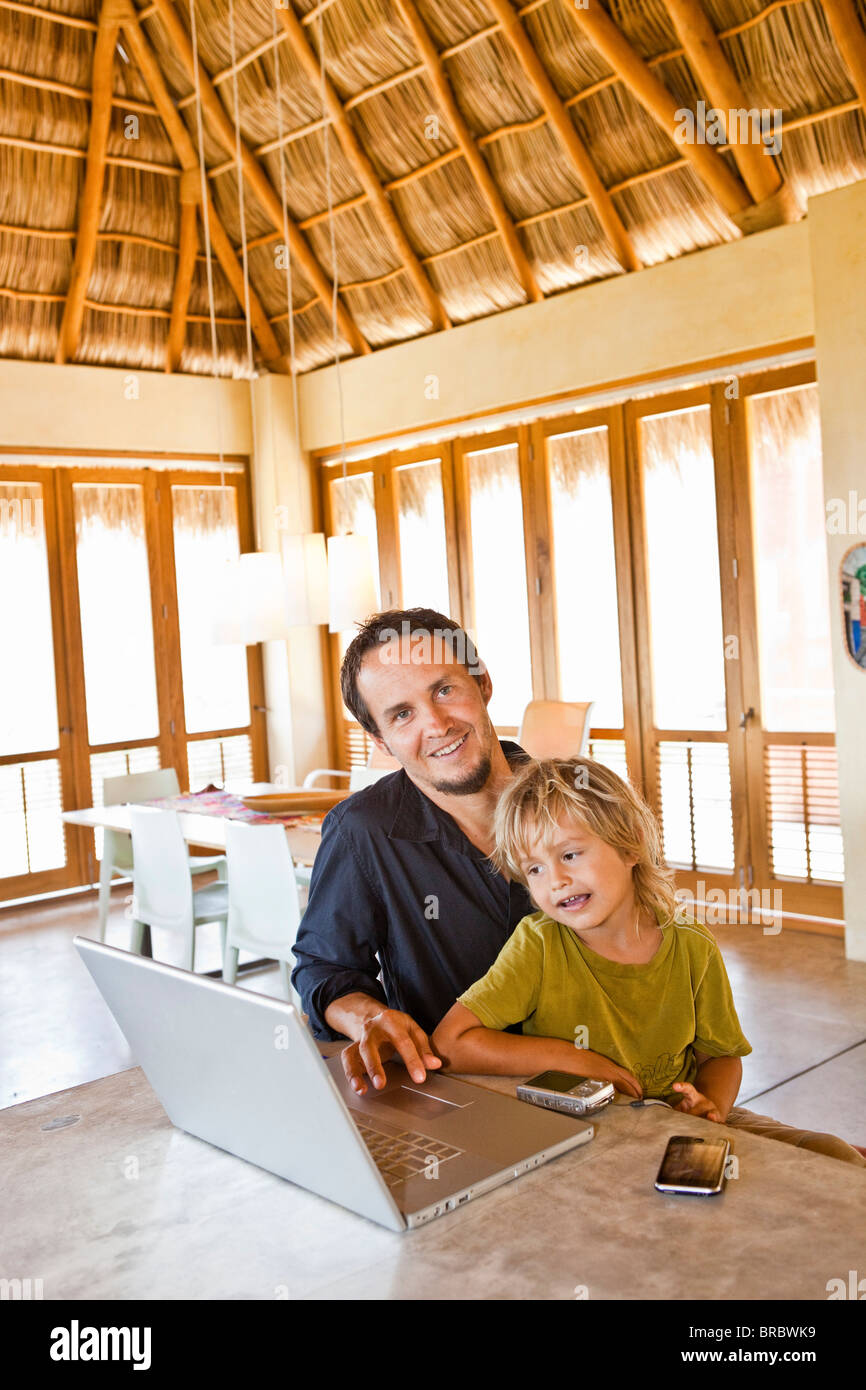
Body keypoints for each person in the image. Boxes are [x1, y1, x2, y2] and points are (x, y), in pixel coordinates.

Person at [432, 756, 866, 1166]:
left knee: (834, 1155)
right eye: (534, 870)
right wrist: (574, 1059)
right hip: (588, 1132)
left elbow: (721, 1057)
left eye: (569, 855)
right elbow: (451, 1043)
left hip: (679, 1125)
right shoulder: (538, 946)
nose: (556, 881)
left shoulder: (693, 946)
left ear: (630, 846)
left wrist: (708, 1110)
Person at [291, 608, 533, 1096]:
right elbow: (323, 970)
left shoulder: (578, 801)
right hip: (461, 1095)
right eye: (402, 714)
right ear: (381, 739)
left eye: (444, 690)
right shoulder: (362, 831)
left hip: (606, 1084)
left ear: (482, 683)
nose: (437, 724)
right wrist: (370, 1016)